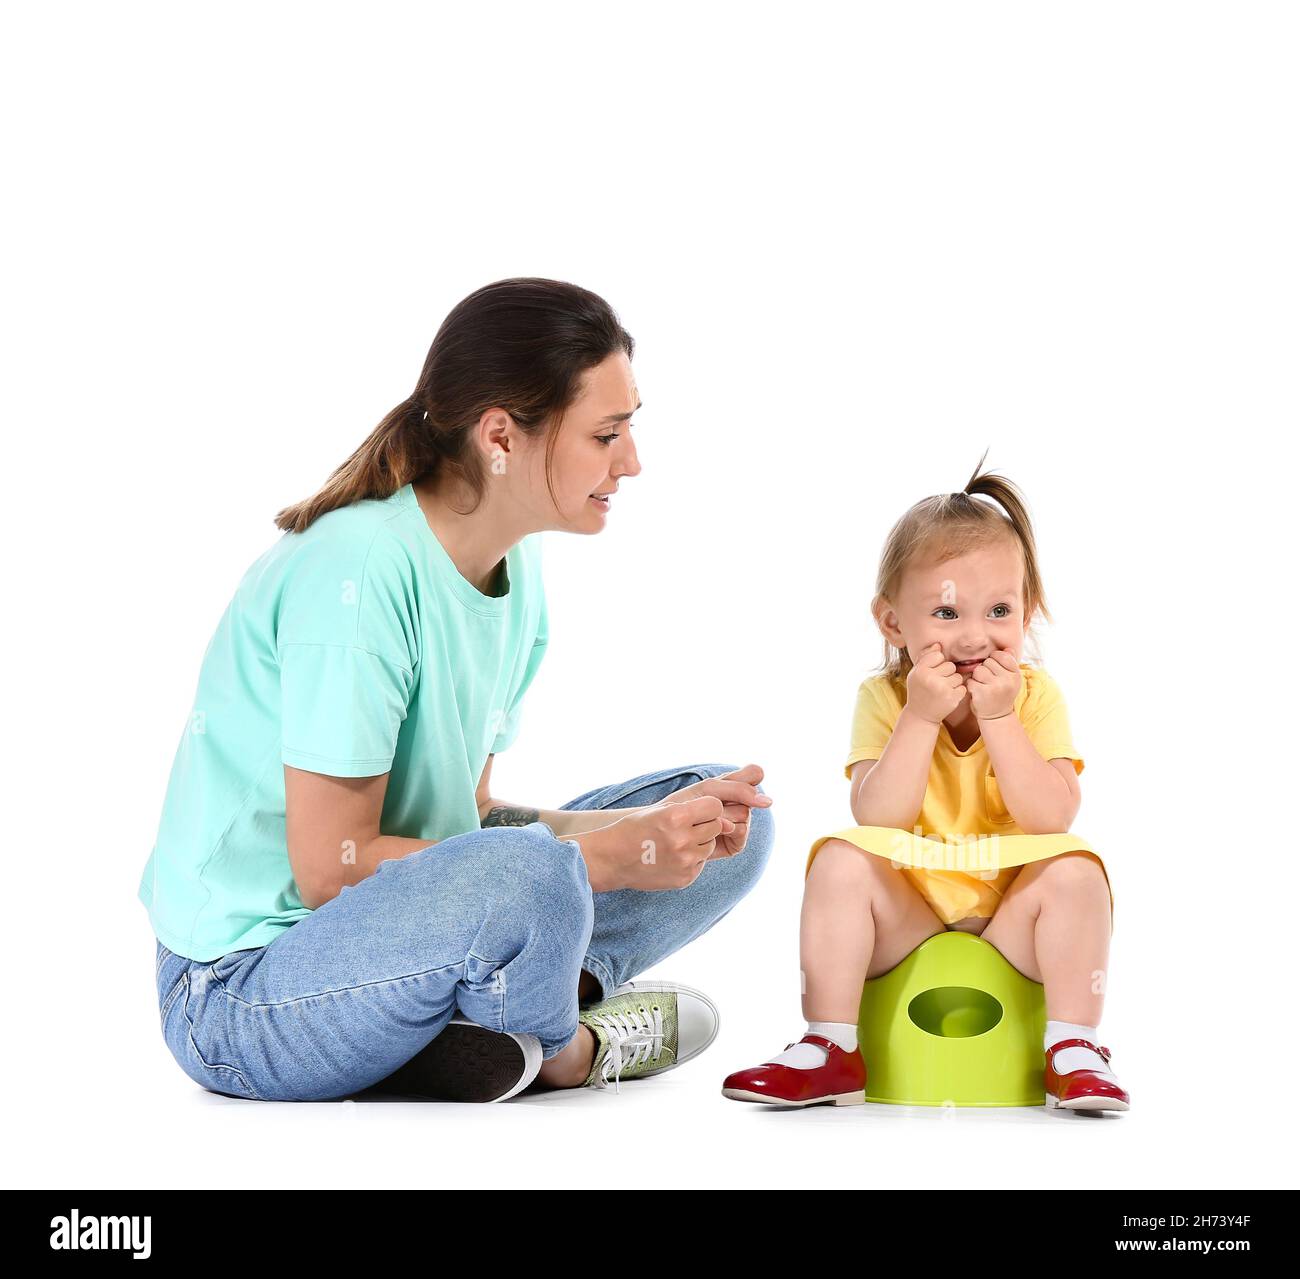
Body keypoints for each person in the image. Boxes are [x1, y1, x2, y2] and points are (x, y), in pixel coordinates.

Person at [141, 277, 774, 1103]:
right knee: (539, 873)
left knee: (726, 823)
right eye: (607, 433)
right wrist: (596, 859)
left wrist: (641, 831)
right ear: (501, 434)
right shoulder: (360, 576)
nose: (632, 461)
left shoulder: (515, 572)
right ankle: (565, 1047)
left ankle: (478, 1020)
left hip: (401, 934)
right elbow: (329, 871)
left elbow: (469, 822)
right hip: (244, 991)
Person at [721, 455, 1128, 1111]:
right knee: (840, 861)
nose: (975, 636)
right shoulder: (884, 698)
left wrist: (999, 718)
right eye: (945, 613)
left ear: (1026, 614)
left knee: (1079, 872)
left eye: (999, 609)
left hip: (1008, 924)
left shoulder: (1036, 697)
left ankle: (1074, 1045)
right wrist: (919, 716)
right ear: (892, 623)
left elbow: (1052, 818)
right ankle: (830, 1045)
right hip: (907, 921)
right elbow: (877, 815)